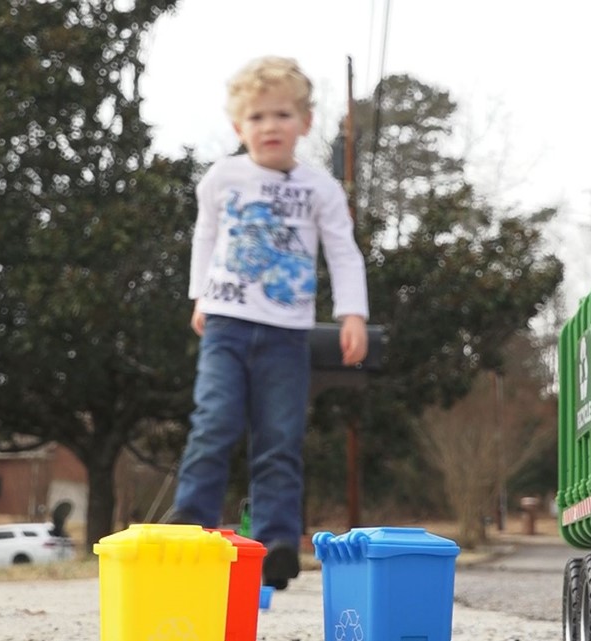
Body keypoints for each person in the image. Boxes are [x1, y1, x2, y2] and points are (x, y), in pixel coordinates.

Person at [166, 56, 369, 591]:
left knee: (279, 439)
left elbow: (344, 253)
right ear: (239, 127)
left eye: (282, 114)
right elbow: (204, 237)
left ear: (304, 122)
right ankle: (191, 520)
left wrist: (352, 314)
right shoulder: (222, 178)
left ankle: (278, 543)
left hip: (285, 333)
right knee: (213, 424)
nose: (269, 126)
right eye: (256, 118)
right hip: (227, 324)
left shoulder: (320, 188)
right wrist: (199, 297)